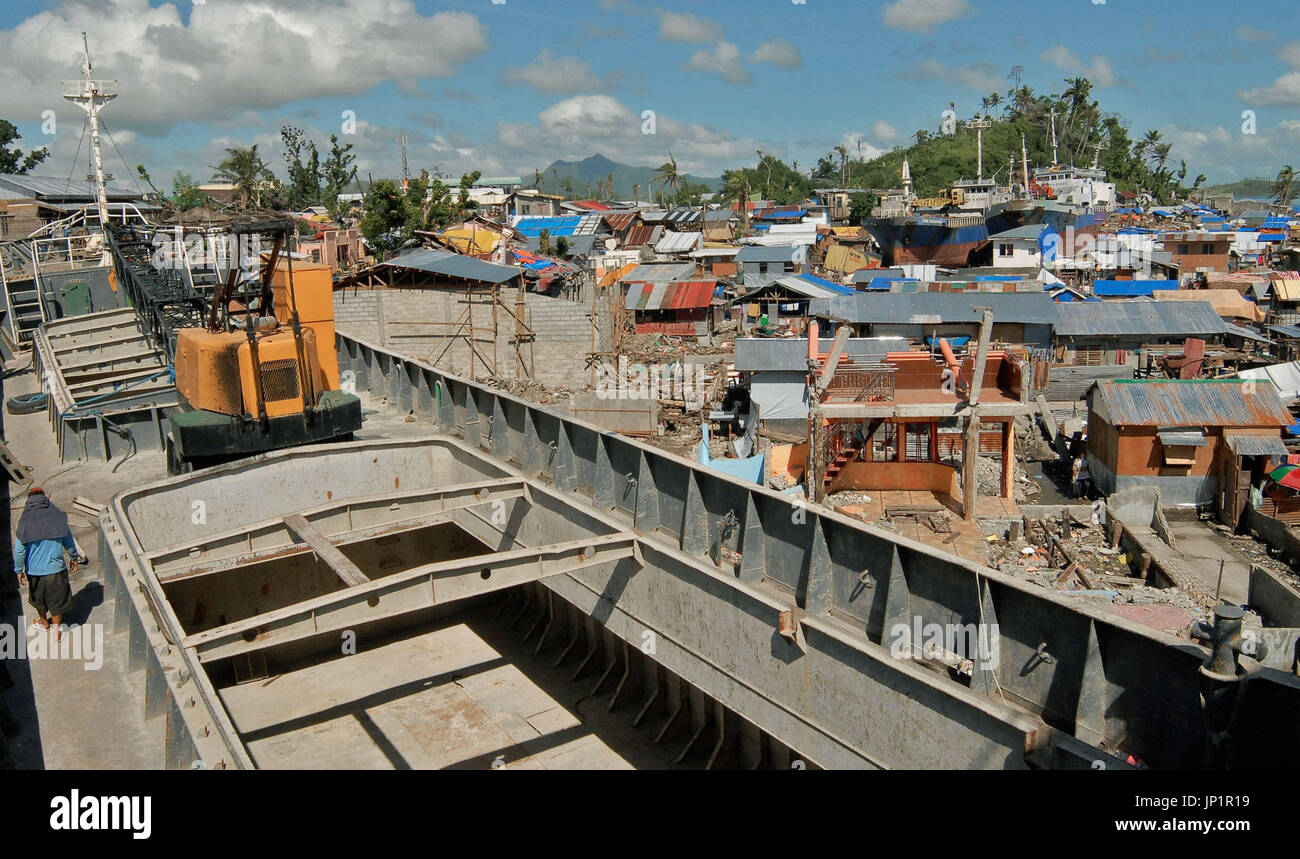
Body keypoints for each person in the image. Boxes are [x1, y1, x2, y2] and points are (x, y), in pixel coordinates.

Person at [13, 488, 86, 641]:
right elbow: (68, 542)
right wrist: (73, 558)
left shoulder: (25, 522)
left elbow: (19, 550)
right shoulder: (58, 518)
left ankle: (44, 622)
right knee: (57, 600)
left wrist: (19, 570)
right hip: (56, 570)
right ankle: (57, 631)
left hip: (34, 571)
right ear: (45, 500)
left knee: (38, 598)